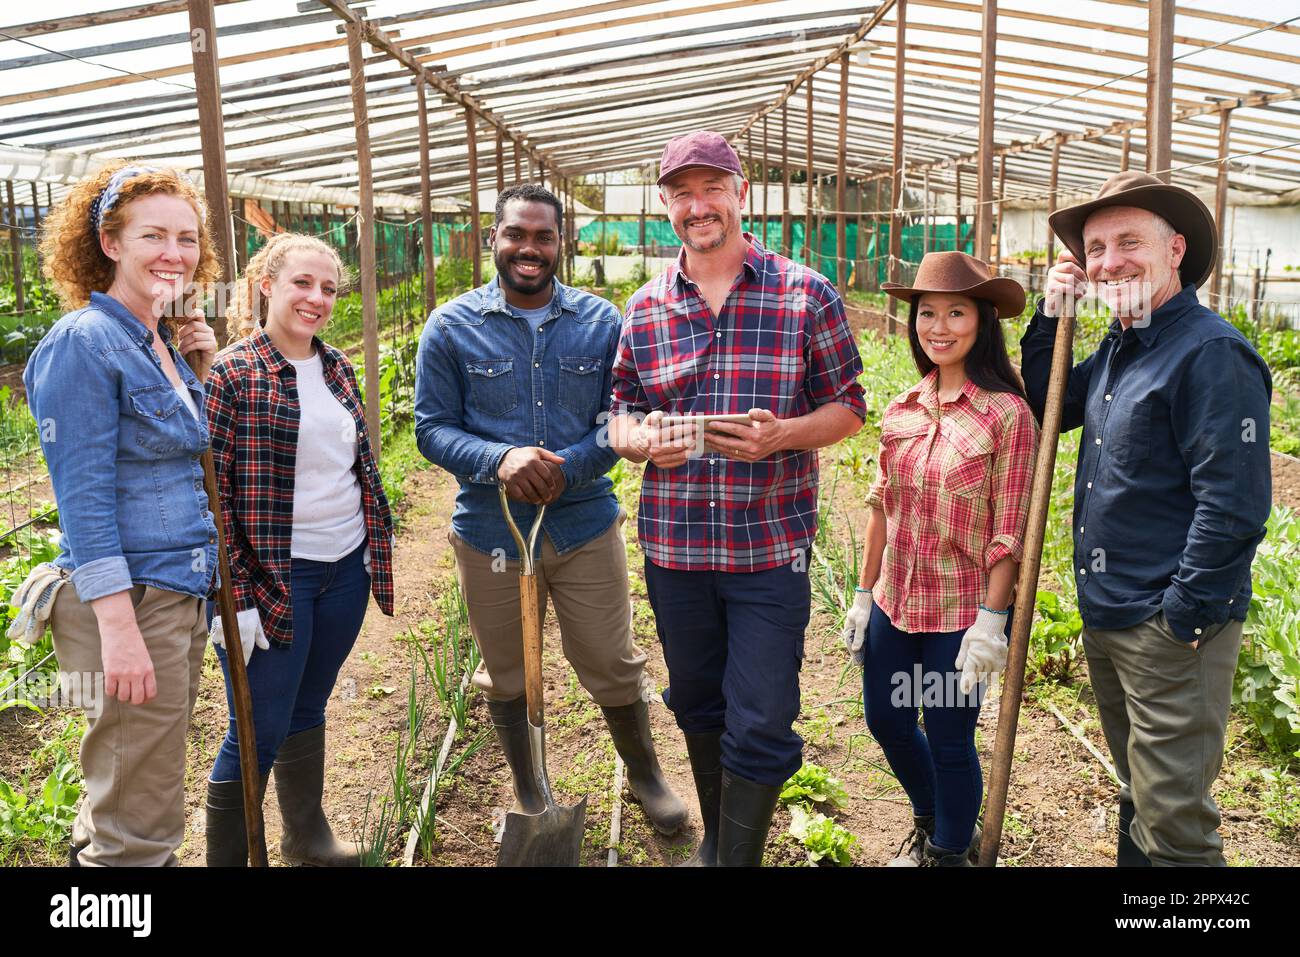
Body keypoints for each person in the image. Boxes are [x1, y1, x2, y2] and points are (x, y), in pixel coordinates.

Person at [607, 131, 866, 867]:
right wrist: (640, 438)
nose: (698, 206)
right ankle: (721, 839)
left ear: (741, 193)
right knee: (698, 703)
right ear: (665, 206)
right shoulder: (646, 307)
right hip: (678, 545)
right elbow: (618, 411)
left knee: (762, 717)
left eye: (711, 188)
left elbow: (849, 405)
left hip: (768, 545)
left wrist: (782, 434)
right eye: (681, 193)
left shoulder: (804, 293)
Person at [414, 183, 687, 843]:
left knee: (610, 658)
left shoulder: (601, 322)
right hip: (492, 531)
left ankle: (647, 772)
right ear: (495, 240)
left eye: (543, 236)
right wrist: (501, 458)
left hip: (584, 523)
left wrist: (565, 465)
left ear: (562, 243)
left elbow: (624, 419)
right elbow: (430, 428)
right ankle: (532, 786)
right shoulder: (451, 327)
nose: (529, 249)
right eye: (516, 235)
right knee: (507, 668)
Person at [1021, 170, 1272, 866]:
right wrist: (1049, 314)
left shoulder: (1209, 352)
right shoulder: (1120, 347)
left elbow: (1234, 503)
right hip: (1110, 612)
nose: (1109, 261)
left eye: (1129, 241)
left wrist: (1182, 617)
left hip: (1168, 629)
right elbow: (1050, 407)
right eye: (1095, 248)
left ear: (1176, 250)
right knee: (1141, 793)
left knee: (1176, 829)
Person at [25, 161, 220, 866]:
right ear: (110, 243)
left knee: (132, 783)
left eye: (188, 238)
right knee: (138, 821)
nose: (175, 252)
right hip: (132, 600)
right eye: (153, 236)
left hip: (172, 591)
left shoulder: (157, 339)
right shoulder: (85, 342)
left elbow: (178, 463)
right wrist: (120, 630)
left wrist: (200, 371)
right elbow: (83, 496)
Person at [202, 232, 395, 866]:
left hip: (345, 569)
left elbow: (355, 465)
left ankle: (306, 837)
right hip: (273, 579)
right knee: (257, 727)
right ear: (266, 287)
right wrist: (230, 597)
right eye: (301, 284)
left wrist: (371, 547)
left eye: (329, 289)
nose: (316, 298)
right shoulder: (232, 373)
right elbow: (213, 499)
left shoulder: (335, 366)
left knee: (309, 702)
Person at [841, 251, 1038, 866]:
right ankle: (931, 818)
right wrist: (863, 592)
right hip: (896, 602)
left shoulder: (1007, 414)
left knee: (951, 739)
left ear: (982, 322)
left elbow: (1010, 531)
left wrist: (990, 622)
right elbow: (882, 506)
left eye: (956, 312)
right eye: (928, 313)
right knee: (889, 722)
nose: (940, 326)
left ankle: (950, 851)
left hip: (958, 611)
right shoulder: (903, 406)